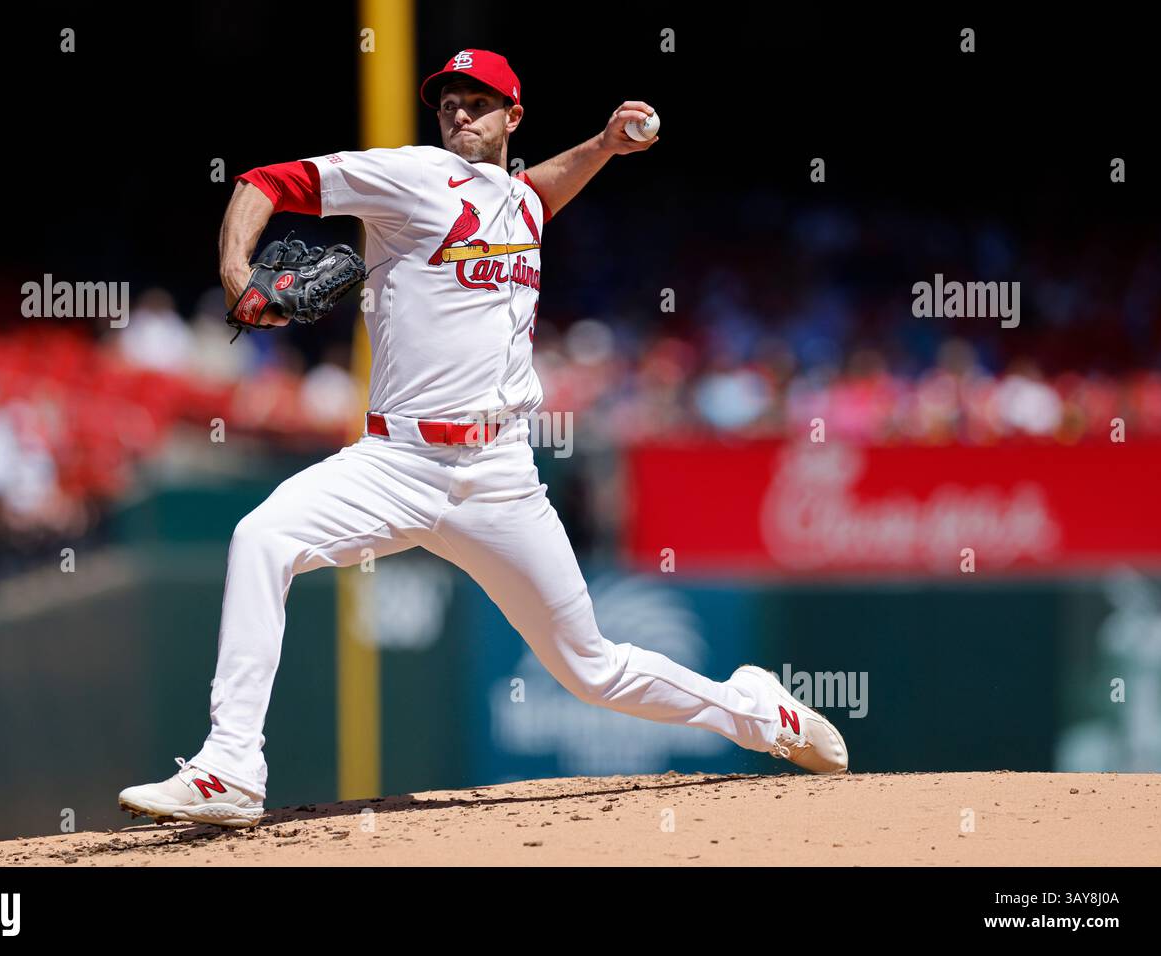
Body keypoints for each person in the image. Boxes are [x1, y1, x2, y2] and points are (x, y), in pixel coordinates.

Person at [119, 49, 846, 829]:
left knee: (590, 668)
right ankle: (231, 764)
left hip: (500, 473)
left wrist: (602, 147)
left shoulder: (519, 199)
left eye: (478, 101)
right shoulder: (409, 176)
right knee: (262, 536)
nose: (459, 113)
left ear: (513, 116)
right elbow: (265, 181)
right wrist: (237, 272)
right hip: (397, 461)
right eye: (448, 103)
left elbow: (536, 194)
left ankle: (758, 713)